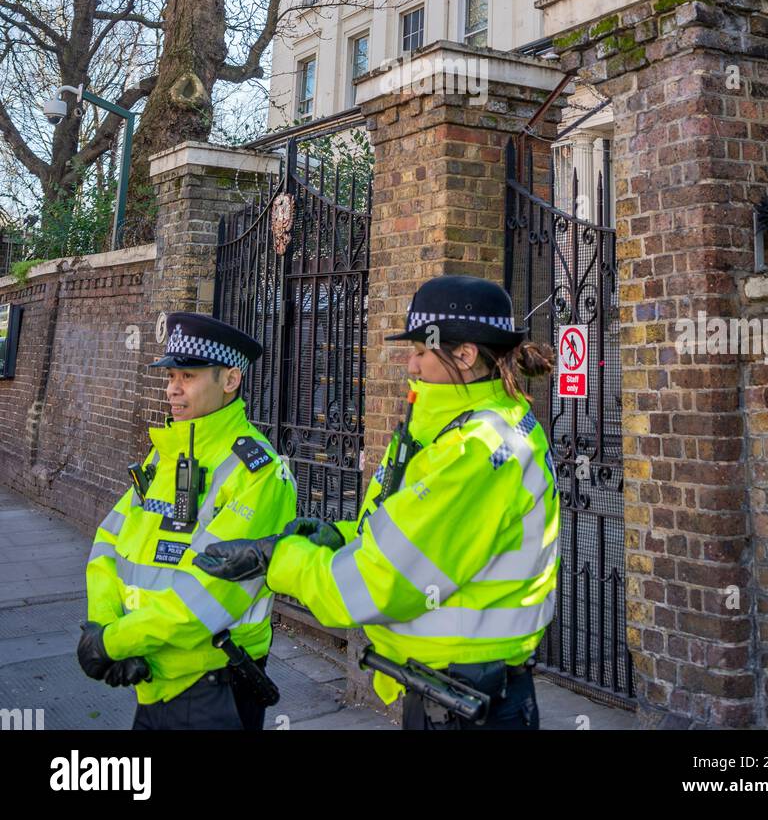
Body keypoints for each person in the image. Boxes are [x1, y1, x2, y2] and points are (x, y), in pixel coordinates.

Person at [195, 275, 560, 730]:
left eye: (423, 351)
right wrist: (337, 536)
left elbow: (381, 581)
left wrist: (278, 561)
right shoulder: (462, 426)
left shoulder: (477, 448)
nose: (410, 363)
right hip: (453, 690)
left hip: (469, 706)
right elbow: (404, 529)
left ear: (464, 355)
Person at [78, 312, 298, 730]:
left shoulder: (259, 473)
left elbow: (209, 595)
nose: (172, 390)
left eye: (188, 377)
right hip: (149, 676)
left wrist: (113, 642)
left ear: (230, 380)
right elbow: (109, 542)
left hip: (213, 685)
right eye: (171, 376)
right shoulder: (164, 454)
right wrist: (104, 625)